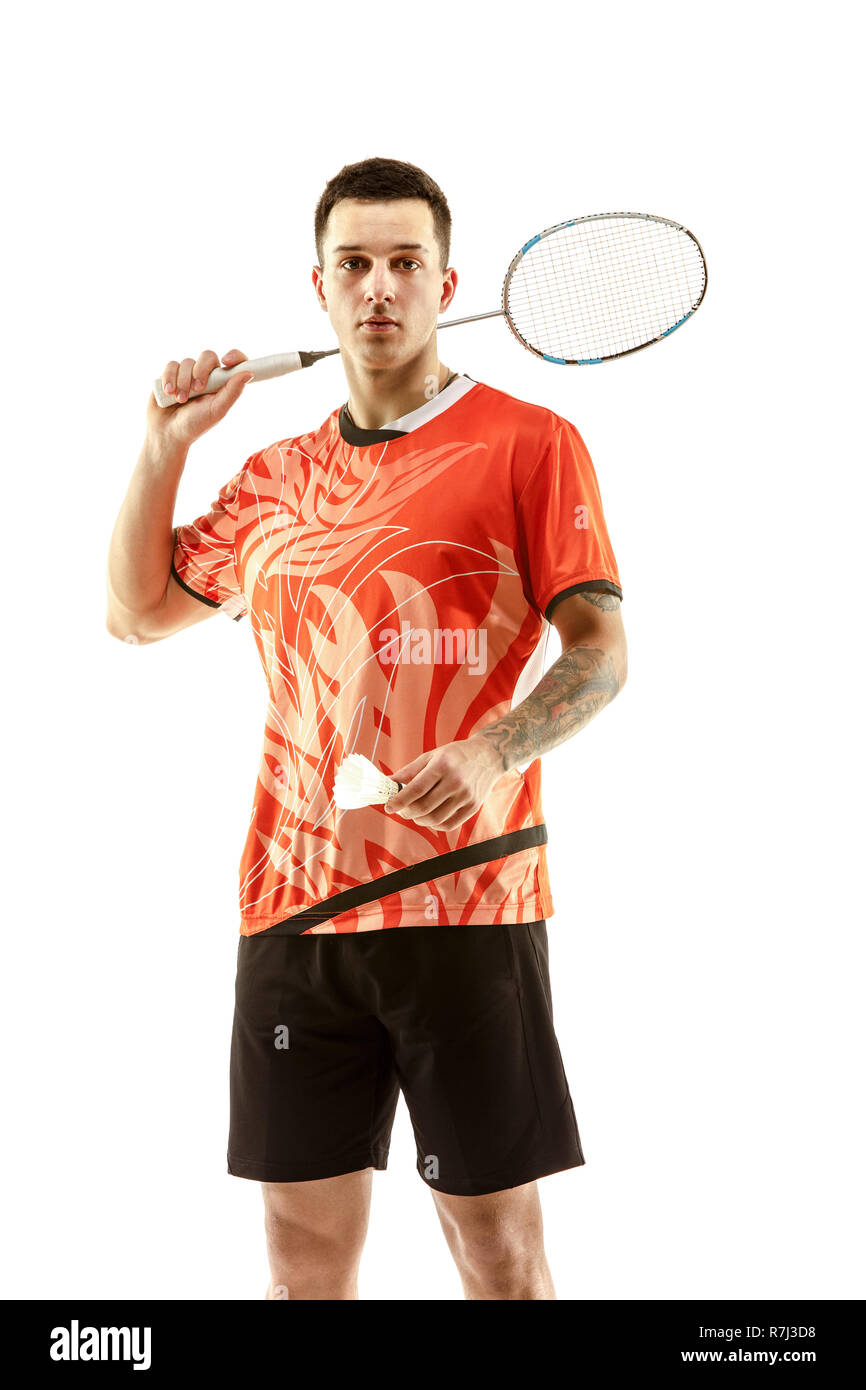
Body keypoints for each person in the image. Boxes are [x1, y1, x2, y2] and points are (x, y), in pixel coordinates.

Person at [105, 156, 627, 1301]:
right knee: (301, 1272)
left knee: (497, 1261)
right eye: (355, 264)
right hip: (291, 909)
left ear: (447, 284)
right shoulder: (275, 477)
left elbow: (600, 651)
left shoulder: (529, 445)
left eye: (405, 263)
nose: (379, 286)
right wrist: (164, 444)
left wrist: (494, 750)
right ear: (320, 286)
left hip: (462, 902)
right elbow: (134, 614)